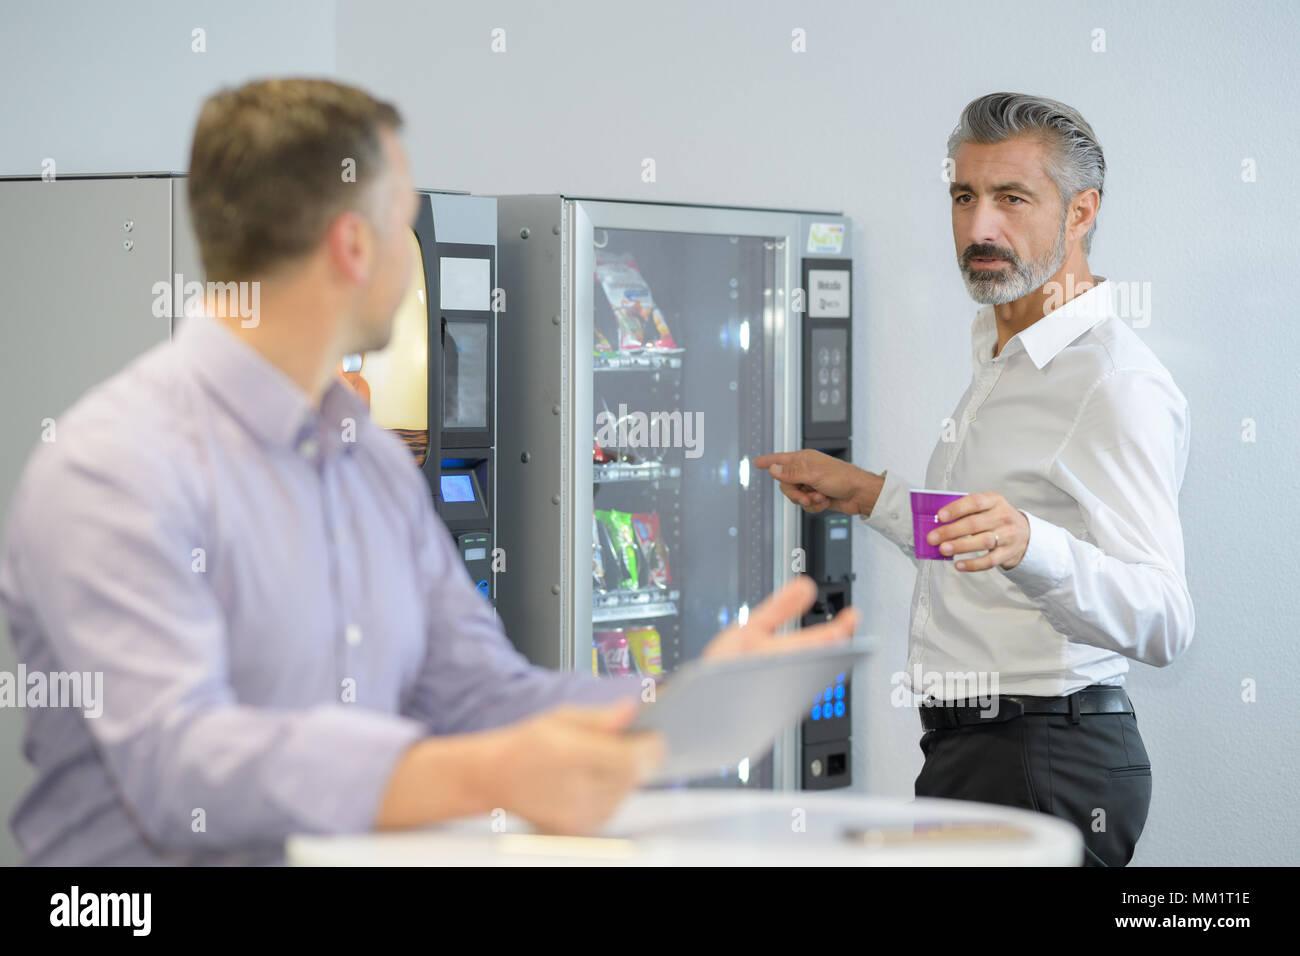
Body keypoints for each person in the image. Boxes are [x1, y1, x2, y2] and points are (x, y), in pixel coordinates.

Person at [0, 78, 857, 865]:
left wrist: (684, 705)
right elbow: (181, 765)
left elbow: (480, 691)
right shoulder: (115, 467)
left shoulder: (364, 458)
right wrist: (486, 776)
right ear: (352, 246)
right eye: (404, 215)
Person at [757, 92, 1193, 866]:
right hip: (977, 753)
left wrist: (1033, 543)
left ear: (1082, 211)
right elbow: (978, 537)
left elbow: (1165, 620)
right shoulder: (1002, 349)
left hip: (1045, 761)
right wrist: (865, 494)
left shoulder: (1113, 383)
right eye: (964, 196)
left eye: (1011, 199)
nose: (978, 227)